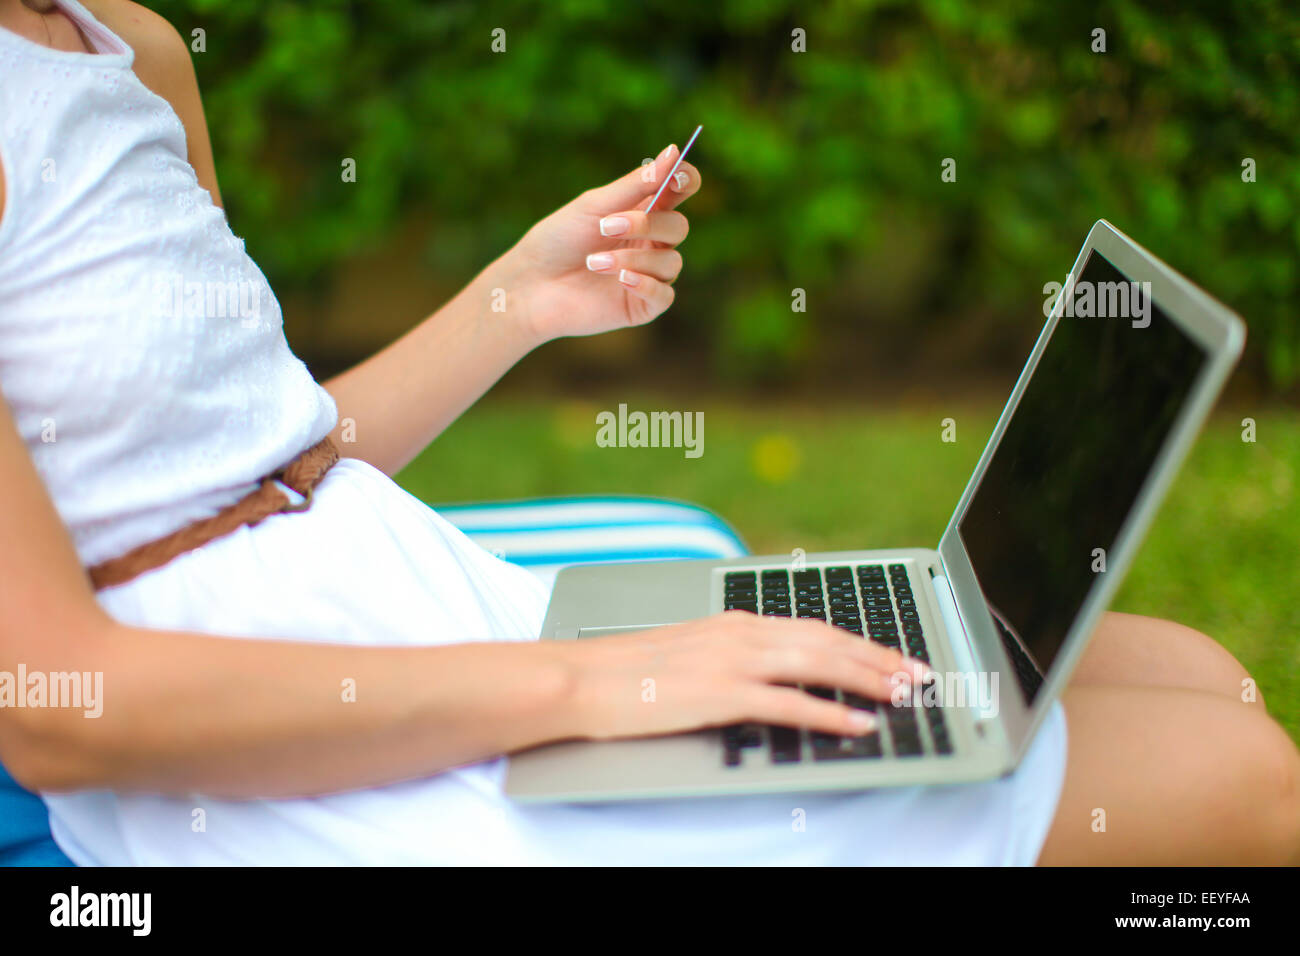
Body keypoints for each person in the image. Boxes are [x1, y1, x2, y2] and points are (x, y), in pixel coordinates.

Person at [0, 0, 1295, 866]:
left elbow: (269, 470)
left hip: (434, 613)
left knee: (1183, 669)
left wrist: (521, 294)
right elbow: (55, 707)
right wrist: (598, 685)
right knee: (1242, 778)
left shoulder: (123, 48)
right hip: (298, 753)